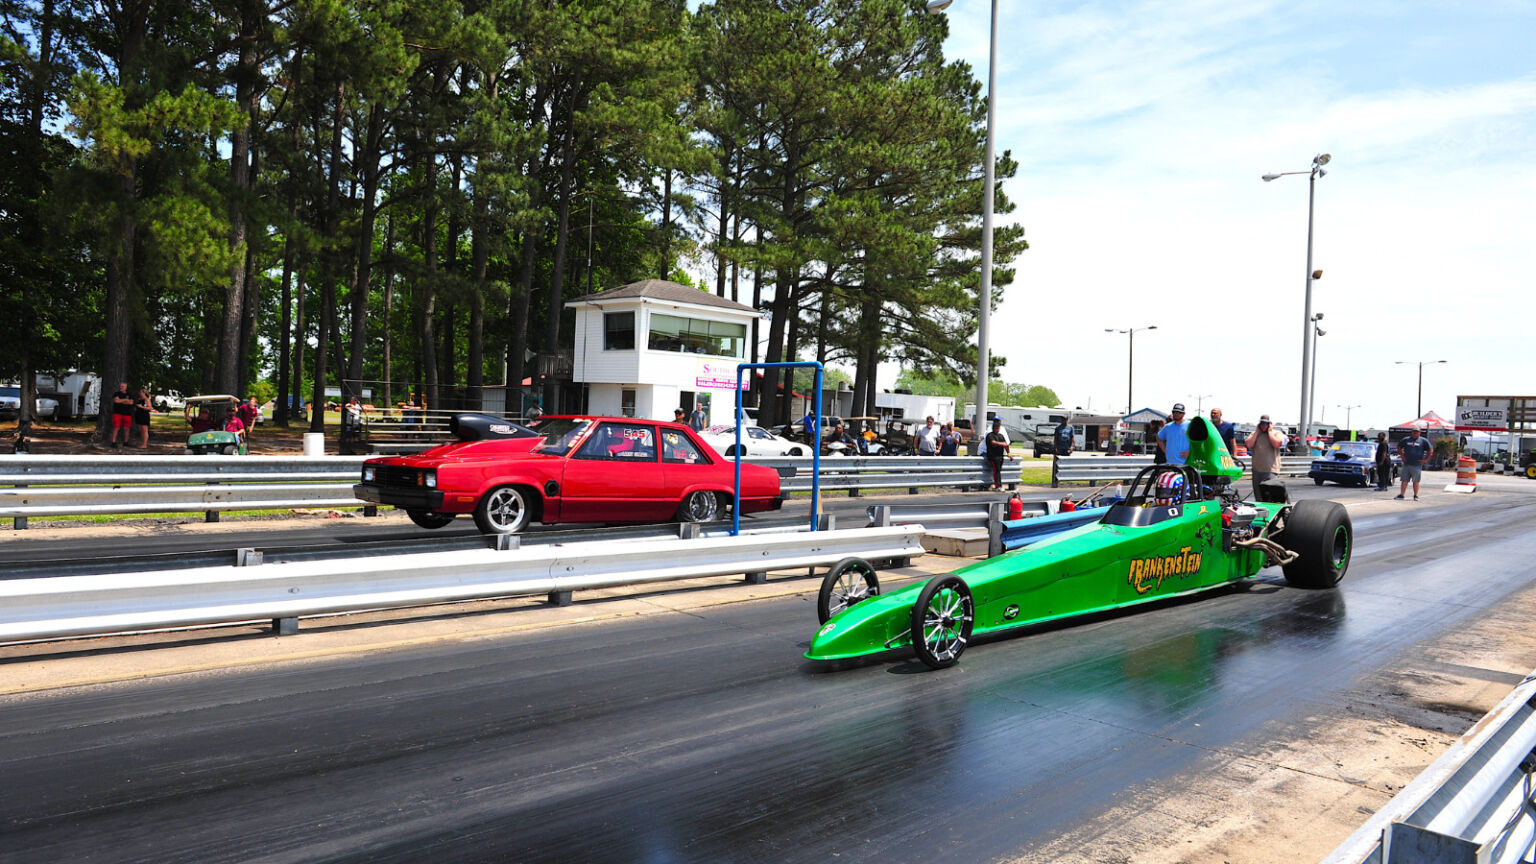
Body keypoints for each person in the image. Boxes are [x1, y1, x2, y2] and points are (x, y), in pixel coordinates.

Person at [1245, 414, 1287, 487]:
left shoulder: (1276, 433)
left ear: (1269, 424)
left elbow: (1276, 444)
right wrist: (1257, 432)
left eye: (1266, 423)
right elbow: (1249, 444)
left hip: (1270, 470)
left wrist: (1270, 432)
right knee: (1258, 495)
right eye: (1262, 423)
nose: (1263, 425)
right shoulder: (1254, 434)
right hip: (1257, 470)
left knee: (1269, 493)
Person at [1396, 428, 1432, 501]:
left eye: (1417, 432)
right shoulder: (1406, 439)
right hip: (1407, 463)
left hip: (1417, 464)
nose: (1415, 433)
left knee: (1416, 481)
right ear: (1412, 432)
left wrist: (1426, 459)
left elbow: (1430, 450)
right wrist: (1402, 455)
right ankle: (1402, 494)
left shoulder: (1423, 441)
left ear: (1419, 433)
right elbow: (1399, 447)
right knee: (1404, 480)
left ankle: (1415, 495)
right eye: (1414, 432)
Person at [983, 417, 1013, 490]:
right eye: (996, 428)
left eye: (998, 428)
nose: (997, 429)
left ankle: (999, 484)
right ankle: (998, 486)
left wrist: (1009, 454)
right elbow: (993, 443)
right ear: (993, 428)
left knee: (998, 471)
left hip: (1000, 456)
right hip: (993, 456)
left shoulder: (1000, 436)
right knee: (996, 471)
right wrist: (1002, 444)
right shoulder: (990, 435)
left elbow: (1006, 445)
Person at [110, 382, 134, 451]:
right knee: (116, 427)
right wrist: (126, 400)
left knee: (127, 429)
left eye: (123, 386)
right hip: (117, 413)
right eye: (121, 386)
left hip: (127, 414)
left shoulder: (130, 394)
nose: (121, 387)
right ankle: (113, 442)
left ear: (126, 387)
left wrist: (121, 400)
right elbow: (116, 401)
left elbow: (131, 402)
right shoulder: (116, 393)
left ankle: (126, 442)